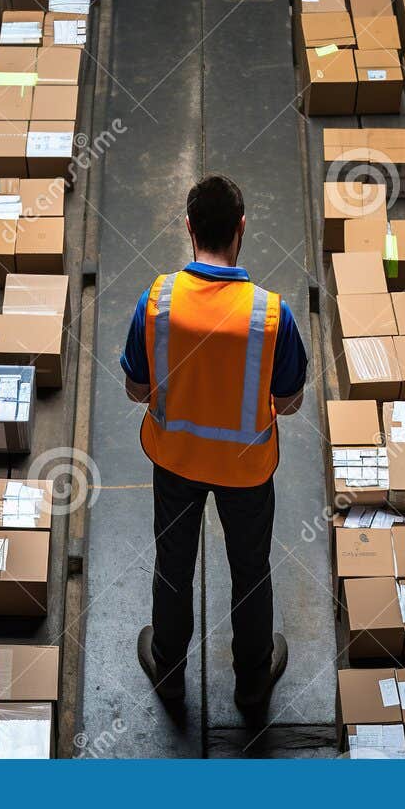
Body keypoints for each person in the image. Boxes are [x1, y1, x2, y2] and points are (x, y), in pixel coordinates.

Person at [119, 174, 308, 709]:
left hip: (175, 462)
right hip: (247, 471)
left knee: (173, 564)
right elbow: (289, 401)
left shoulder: (157, 300)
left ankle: (169, 667)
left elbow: (135, 389)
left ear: (188, 228)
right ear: (241, 230)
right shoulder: (272, 314)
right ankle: (251, 681)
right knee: (250, 570)